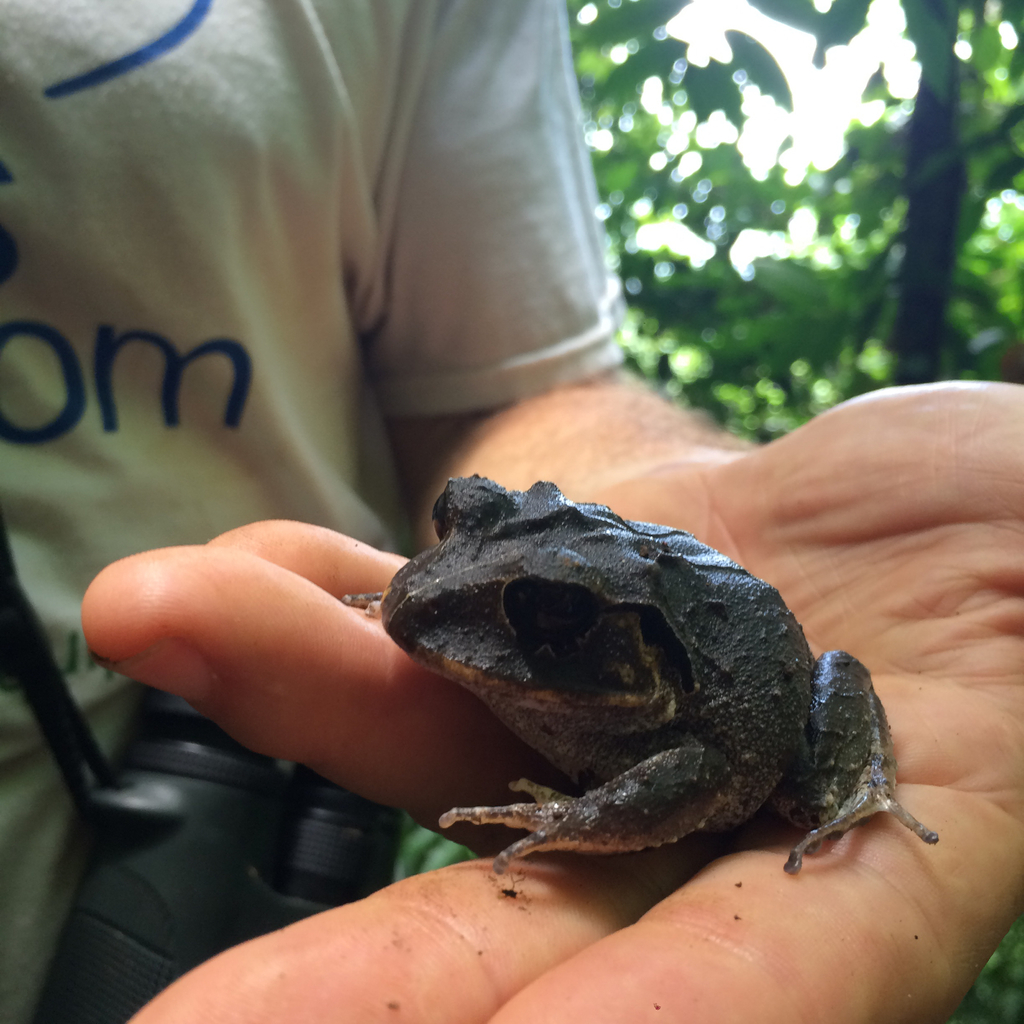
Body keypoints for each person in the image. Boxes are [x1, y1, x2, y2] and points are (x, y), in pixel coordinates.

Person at [3, 1, 1022, 1022]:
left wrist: (584, 817)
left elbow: (713, 769)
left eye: (544, 615)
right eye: (460, 525)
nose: (439, 589)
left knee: (814, 756)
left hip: (742, 713)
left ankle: (856, 781)